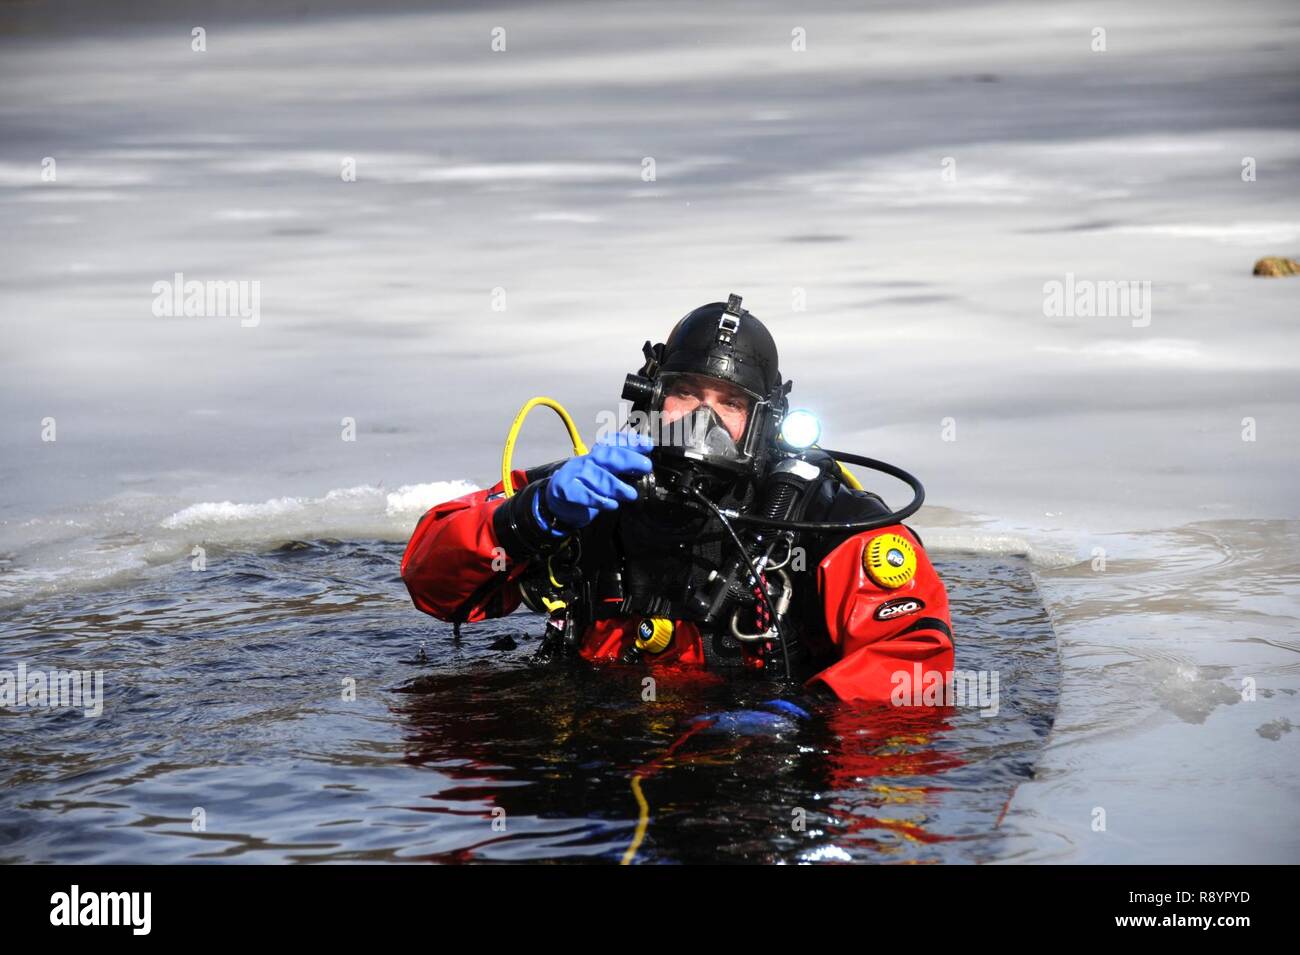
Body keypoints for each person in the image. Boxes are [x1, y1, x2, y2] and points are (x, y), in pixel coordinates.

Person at [400, 295, 954, 704]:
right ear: (650, 395)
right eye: (685, 392)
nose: (700, 419)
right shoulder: (586, 493)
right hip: (599, 772)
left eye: (729, 401)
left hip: (752, 783)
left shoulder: (826, 521)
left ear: (763, 422)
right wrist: (530, 517)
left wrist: (802, 720)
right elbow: (429, 580)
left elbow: (913, 662)